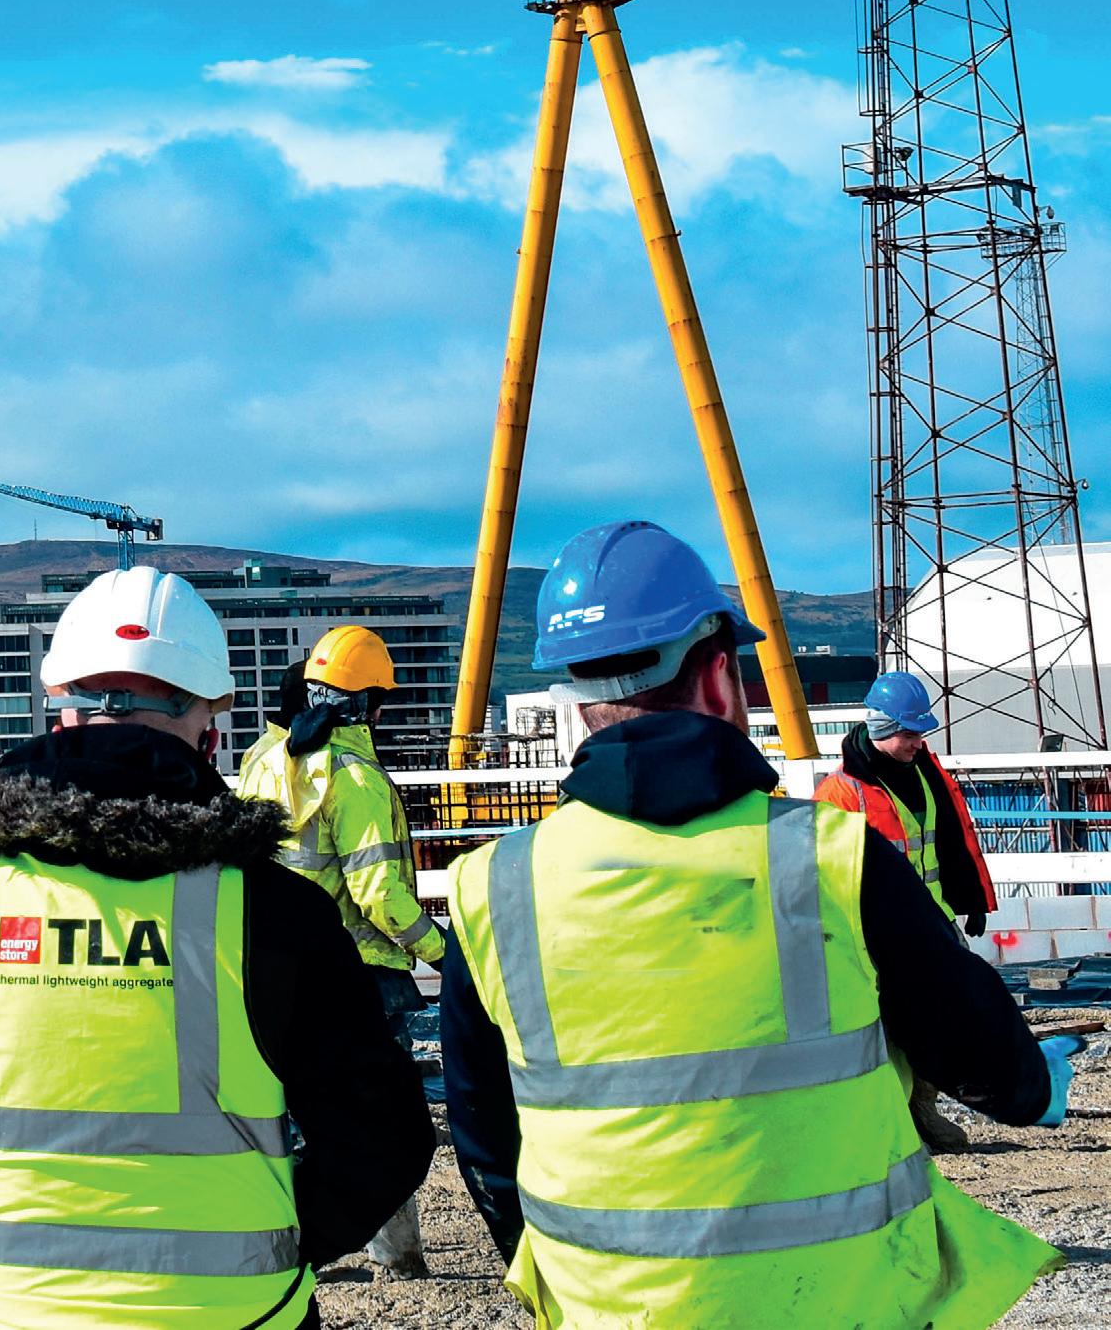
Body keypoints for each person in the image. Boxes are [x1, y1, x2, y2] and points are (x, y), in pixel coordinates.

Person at [439, 520, 1071, 1328]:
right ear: (716, 679)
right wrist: (1036, 1083)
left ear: (577, 695)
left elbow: (484, 1140)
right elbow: (982, 1054)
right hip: (843, 1306)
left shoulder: (494, 889)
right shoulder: (832, 859)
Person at [0, 565, 433, 1329]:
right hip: (231, 1311)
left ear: (59, 712)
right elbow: (386, 1136)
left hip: (2, 1309)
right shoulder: (273, 910)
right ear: (210, 722)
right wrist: (281, 1240)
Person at [237, 626, 445, 1279]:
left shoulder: (265, 761)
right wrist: (444, 955)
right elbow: (380, 894)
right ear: (370, 704)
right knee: (381, 1121)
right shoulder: (355, 776)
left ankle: (281, 1246)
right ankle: (397, 1256)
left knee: (283, 1116)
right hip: (360, 973)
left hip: (270, 969)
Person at [816, 668, 1001, 1154]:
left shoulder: (928, 774)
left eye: (921, 732)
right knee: (890, 1030)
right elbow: (822, 871)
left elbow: (956, 839)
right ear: (880, 729)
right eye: (909, 732)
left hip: (934, 923)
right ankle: (895, 1124)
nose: (918, 741)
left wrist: (972, 900)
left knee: (943, 1021)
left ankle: (923, 1110)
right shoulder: (841, 793)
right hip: (880, 935)